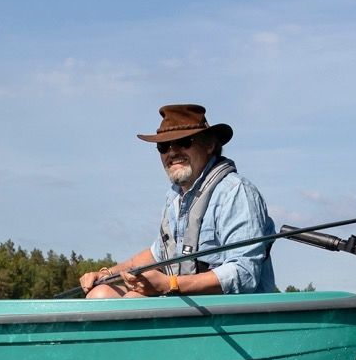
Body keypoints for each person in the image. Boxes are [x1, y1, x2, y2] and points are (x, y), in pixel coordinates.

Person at [80, 104, 276, 299]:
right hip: (187, 308)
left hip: (232, 316)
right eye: (163, 147)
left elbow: (244, 273)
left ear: (209, 145)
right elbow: (157, 255)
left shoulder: (235, 192)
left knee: (133, 301)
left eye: (184, 142)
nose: (172, 153)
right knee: (101, 294)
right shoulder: (175, 197)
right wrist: (106, 274)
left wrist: (170, 284)